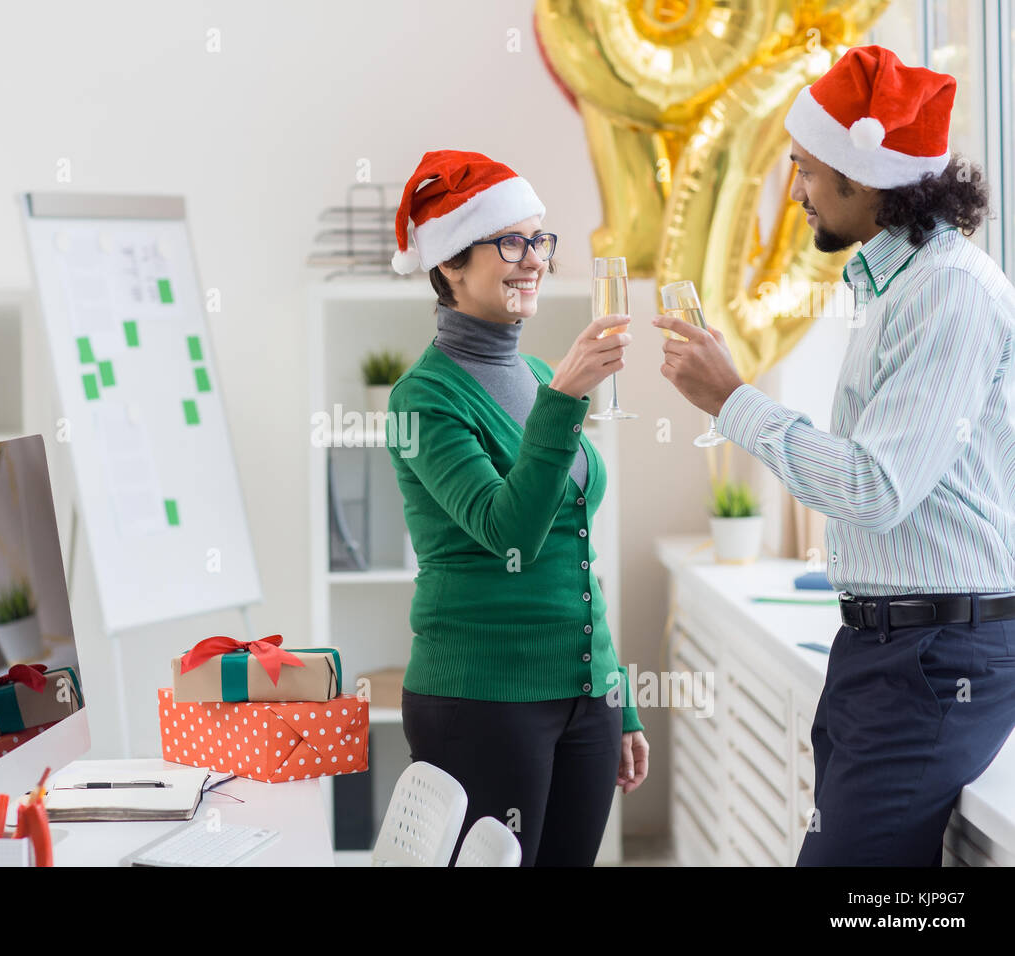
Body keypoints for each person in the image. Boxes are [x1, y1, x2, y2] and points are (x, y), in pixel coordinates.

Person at [652, 45, 1015, 866]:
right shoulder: (887, 286)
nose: (795, 189)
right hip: (888, 652)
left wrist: (733, 401)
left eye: (806, 169)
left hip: (934, 659)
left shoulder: (948, 292)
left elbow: (875, 486)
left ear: (866, 177)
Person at [386, 149, 647, 867]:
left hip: (582, 698)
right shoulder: (424, 398)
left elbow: (574, 553)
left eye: (539, 239)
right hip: (482, 699)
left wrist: (616, 698)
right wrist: (564, 402)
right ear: (450, 266)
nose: (532, 258)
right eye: (509, 241)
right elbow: (511, 535)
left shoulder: (536, 375)